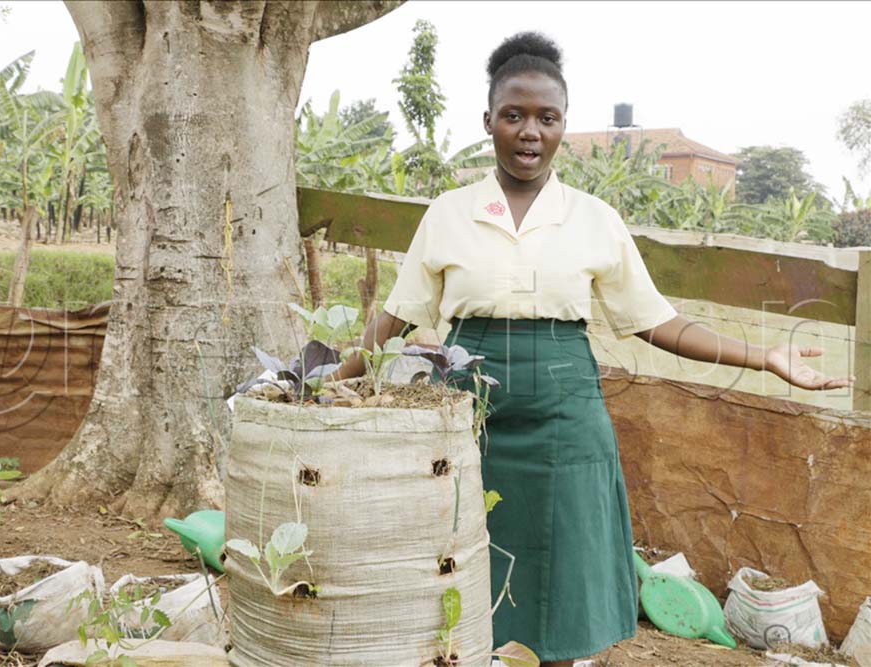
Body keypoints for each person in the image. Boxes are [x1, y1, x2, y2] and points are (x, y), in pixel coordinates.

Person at [332, 32, 854, 666]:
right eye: (513, 115)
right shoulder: (449, 213)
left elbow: (656, 322)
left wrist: (762, 355)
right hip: (467, 412)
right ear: (488, 122)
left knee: (562, 571)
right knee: (466, 555)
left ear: (562, 126)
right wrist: (331, 378)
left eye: (546, 118)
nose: (530, 132)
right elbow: (396, 317)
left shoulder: (593, 219)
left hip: (565, 412)